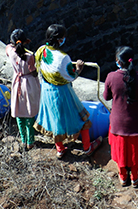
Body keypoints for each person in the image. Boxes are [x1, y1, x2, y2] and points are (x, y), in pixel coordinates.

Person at [35, 24, 101, 159]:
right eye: (63, 37)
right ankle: (87, 147)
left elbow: (38, 66)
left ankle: (60, 149)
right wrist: (78, 68)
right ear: (59, 39)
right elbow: (71, 76)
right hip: (62, 92)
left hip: (47, 90)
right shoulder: (63, 57)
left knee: (54, 119)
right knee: (81, 117)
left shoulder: (41, 50)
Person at [103, 46, 138, 186]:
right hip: (135, 122)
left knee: (120, 149)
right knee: (134, 150)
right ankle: (135, 178)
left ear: (118, 61)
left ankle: (123, 177)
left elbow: (106, 97)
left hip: (117, 121)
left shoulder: (111, 77)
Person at [7, 29, 41, 149]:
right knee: (29, 112)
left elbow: (8, 47)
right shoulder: (29, 56)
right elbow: (34, 72)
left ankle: (23, 139)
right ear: (26, 41)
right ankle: (30, 141)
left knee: (19, 111)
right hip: (29, 83)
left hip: (17, 82)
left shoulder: (10, 52)